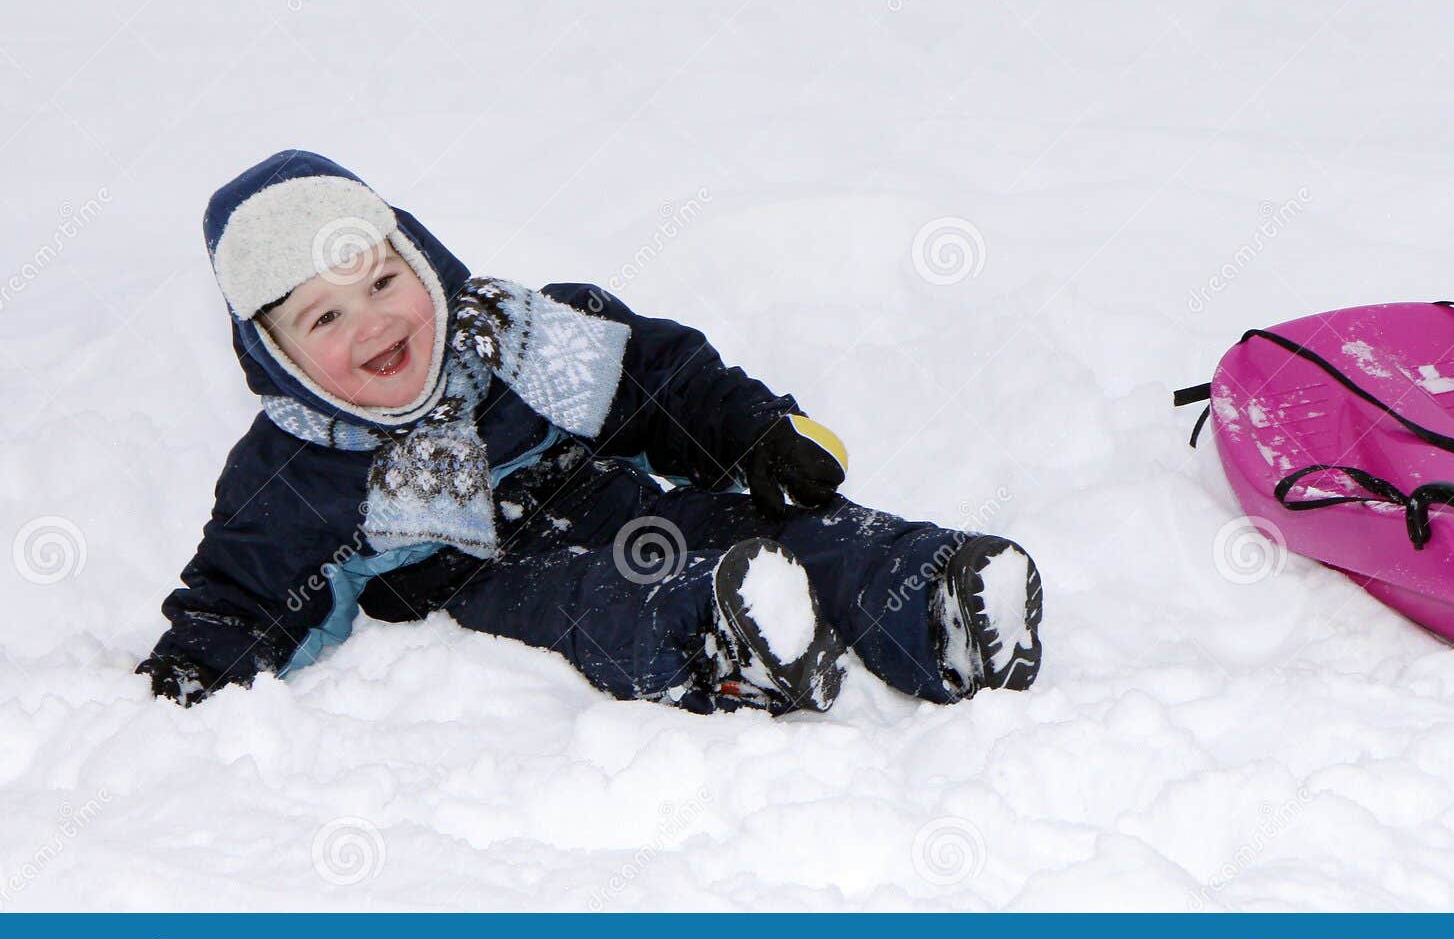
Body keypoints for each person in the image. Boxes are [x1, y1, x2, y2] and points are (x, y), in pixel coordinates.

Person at [136, 149, 1044, 715]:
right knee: (604, 598)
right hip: (494, 576)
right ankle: (728, 643)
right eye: (323, 320)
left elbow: (654, 376)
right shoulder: (296, 467)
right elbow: (242, 588)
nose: (372, 324)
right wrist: (195, 668)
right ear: (277, 354)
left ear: (420, 259)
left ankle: (933, 598)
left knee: (758, 527)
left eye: (380, 284)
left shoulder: (513, 333)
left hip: (616, 499)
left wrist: (754, 435)